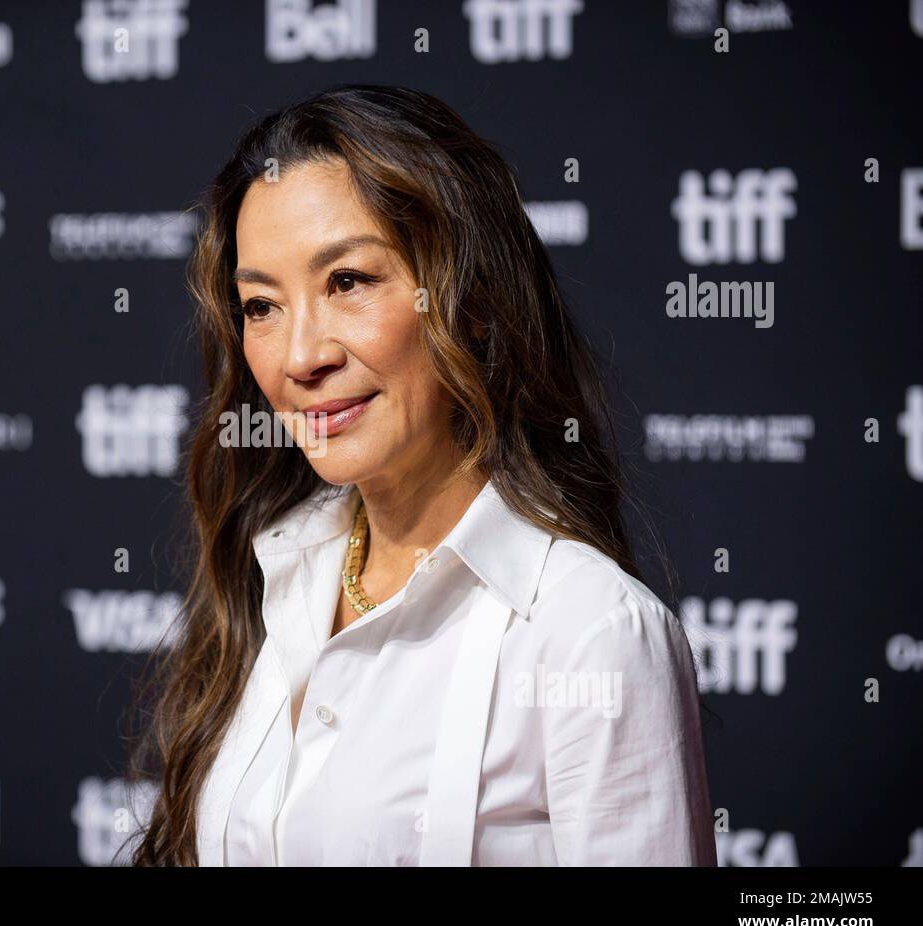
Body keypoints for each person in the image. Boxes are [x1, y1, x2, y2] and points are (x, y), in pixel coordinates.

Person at [125, 84, 715, 866]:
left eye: (348, 282)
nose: (302, 357)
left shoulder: (589, 633)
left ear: (468, 297)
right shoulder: (276, 577)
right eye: (261, 305)